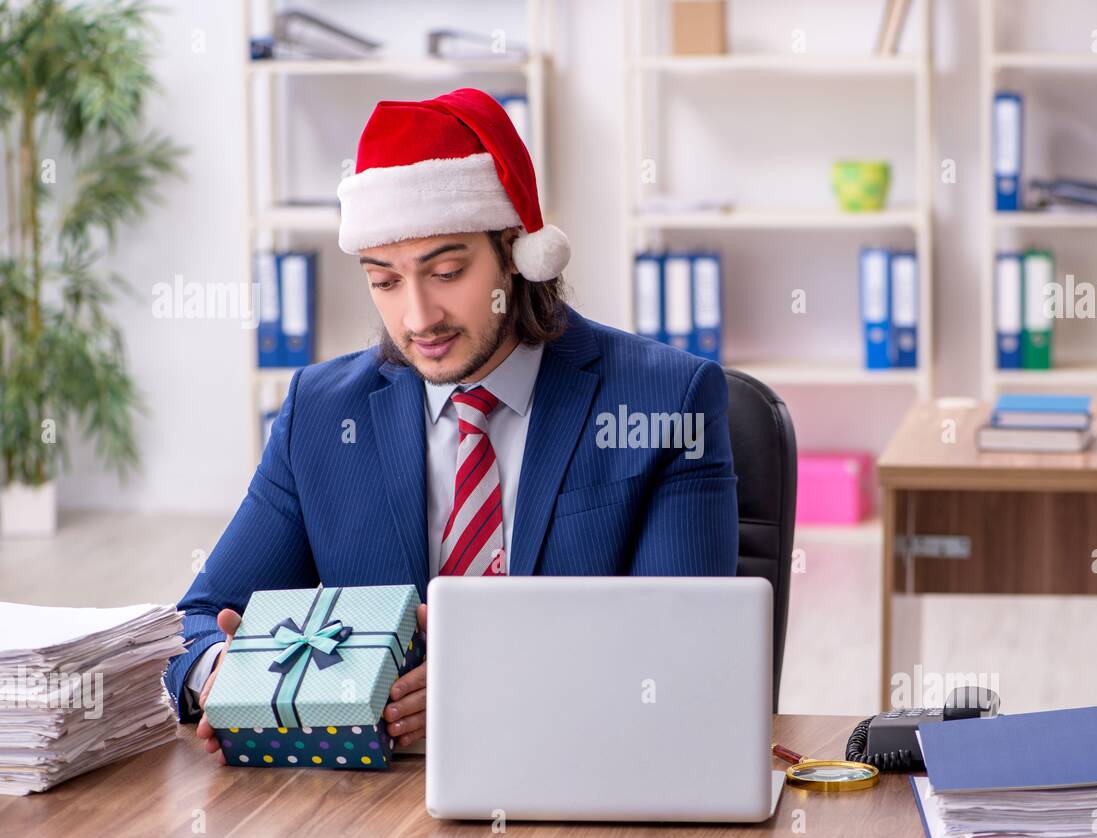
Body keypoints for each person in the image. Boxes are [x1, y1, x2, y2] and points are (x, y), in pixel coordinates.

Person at [165, 88, 739, 760]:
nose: (418, 317)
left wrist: (496, 685)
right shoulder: (321, 414)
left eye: (446, 270)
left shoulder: (666, 400)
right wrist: (220, 673)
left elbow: (683, 659)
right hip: (370, 816)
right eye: (384, 281)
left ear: (517, 254)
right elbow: (196, 622)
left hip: (586, 784)